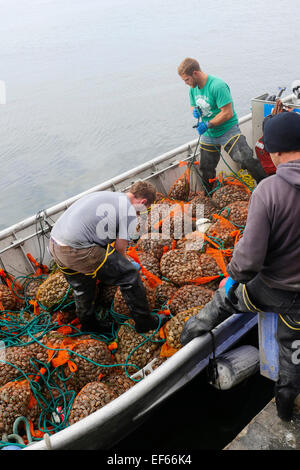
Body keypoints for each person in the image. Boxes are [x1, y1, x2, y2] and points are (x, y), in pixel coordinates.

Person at [180, 111, 300, 421]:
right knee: (293, 354)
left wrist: (231, 279)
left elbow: (248, 263)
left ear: (273, 151)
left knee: (227, 298)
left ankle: (189, 335)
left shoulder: (268, 191)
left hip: (274, 290)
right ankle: (287, 409)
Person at [49, 181, 168, 334]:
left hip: (55, 245)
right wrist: (127, 264)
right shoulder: (130, 211)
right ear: (143, 202)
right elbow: (119, 249)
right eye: (146, 208)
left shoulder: (110, 196)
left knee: (83, 286)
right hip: (77, 250)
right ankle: (145, 322)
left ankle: (89, 325)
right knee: (129, 275)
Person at [177, 57, 266, 192]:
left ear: (195, 73)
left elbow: (227, 113)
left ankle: (266, 187)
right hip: (209, 134)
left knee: (246, 159)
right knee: (206, 168)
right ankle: (209, 196)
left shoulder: (217, 86)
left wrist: (208, 124)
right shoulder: (193, 88)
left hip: (228, 130)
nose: (186, 83)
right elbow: (192, 105)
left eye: (186, 80)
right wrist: (194, 111)